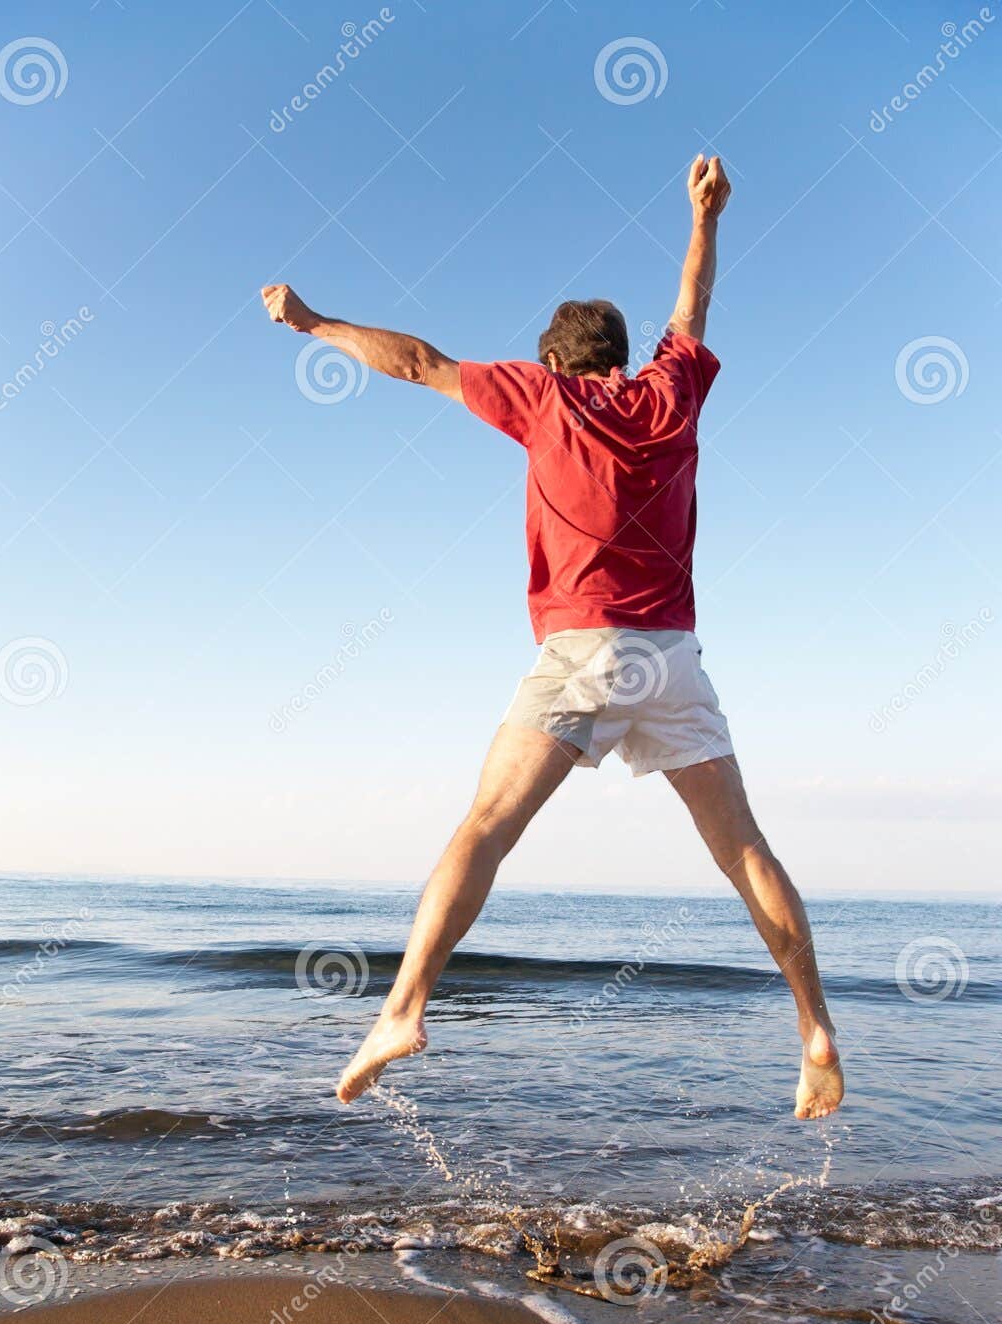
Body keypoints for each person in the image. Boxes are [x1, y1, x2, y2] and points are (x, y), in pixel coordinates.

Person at [262, 154, 844, 1121]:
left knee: (485, 829)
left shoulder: (542, 399)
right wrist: (705, 214)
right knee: (743, 848)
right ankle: (815, 1024)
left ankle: (403, 1010)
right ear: (621, 353)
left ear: (558, 361)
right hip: (675, 658)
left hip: (583, 651)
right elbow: (694, 303)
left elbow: (417, 362)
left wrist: (315, 322)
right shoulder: (671, 392)